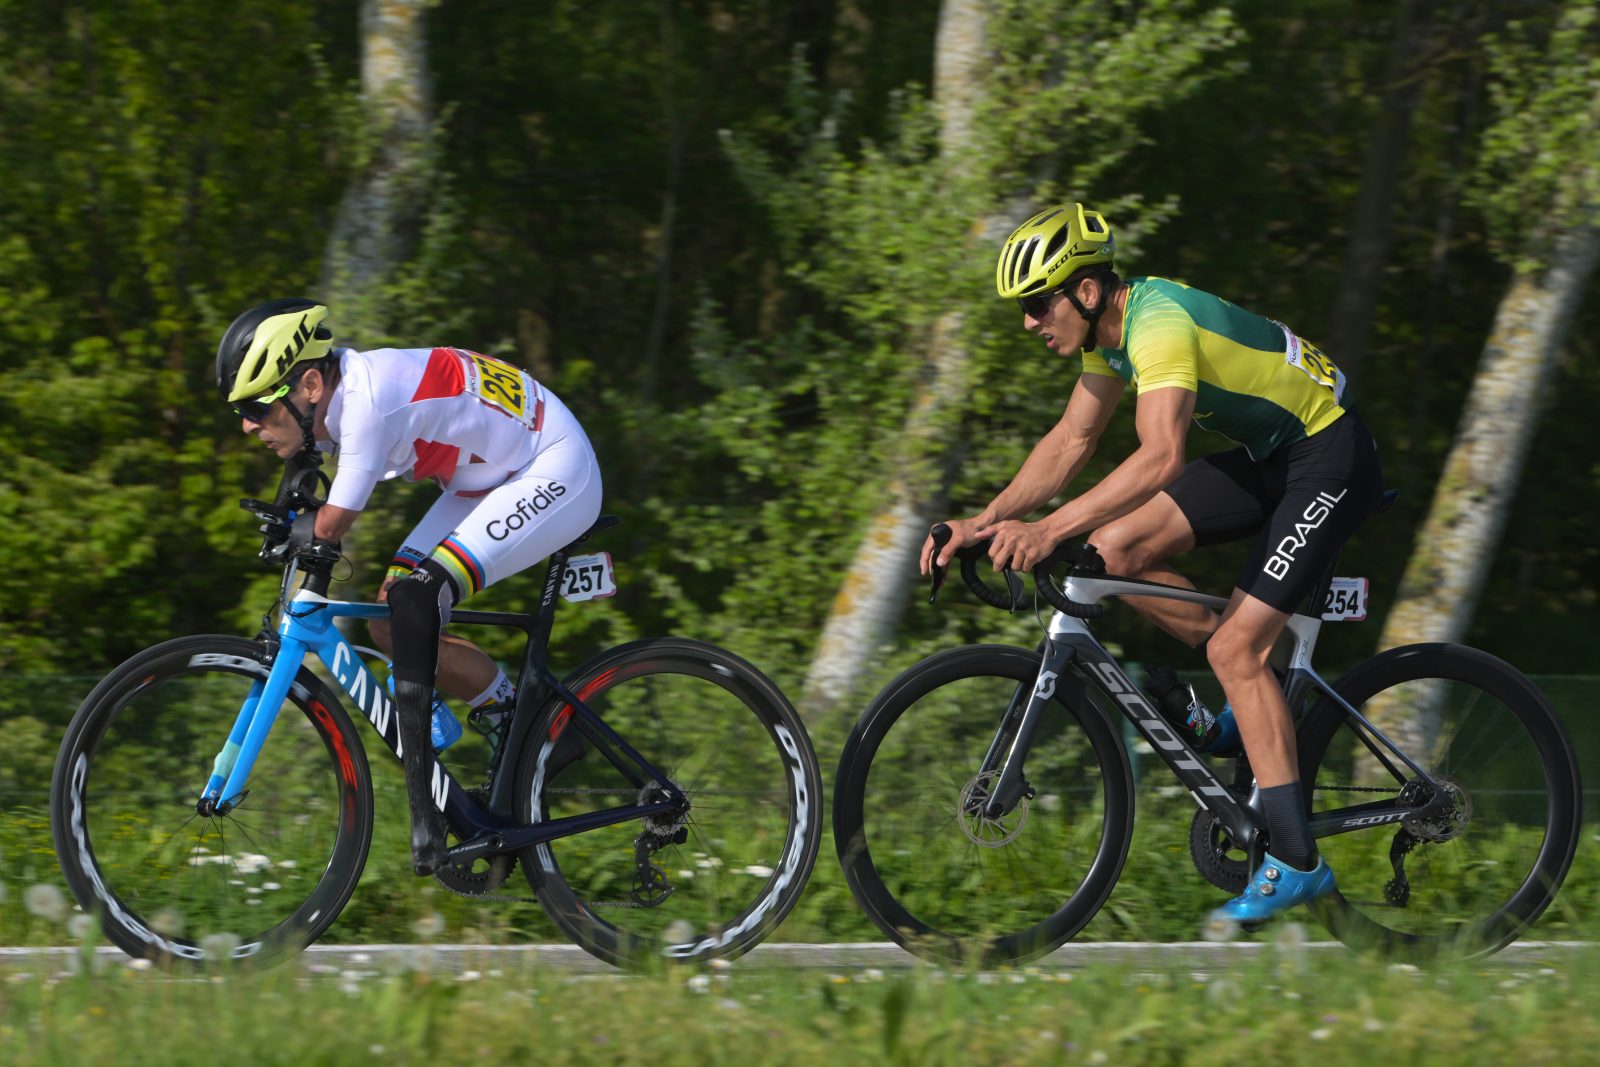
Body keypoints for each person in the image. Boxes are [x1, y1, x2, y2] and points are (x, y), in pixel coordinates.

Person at [923, 203, 1383, 927]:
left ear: (1084, 290)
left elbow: (1163, 455)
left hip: (1329, 455)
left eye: (1038, 302)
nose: (1028, 322)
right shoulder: (1107, 341)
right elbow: (1070, 440)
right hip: (1276, 455)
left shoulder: (1157, 321)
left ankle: (1296, 860)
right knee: (1112, 553)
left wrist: (1046, 532)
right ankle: (1240, 716)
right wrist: (978, 523)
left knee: (1236, 645)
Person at [216, 298, 603, 875]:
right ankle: (520, 722)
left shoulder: (369, 402)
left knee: (416, 598)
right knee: (387, 623)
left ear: (312, 384)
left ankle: (425, 810)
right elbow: (304, 484)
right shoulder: (326, 405)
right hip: (486, 477)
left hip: (551, 465)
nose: (248, 425)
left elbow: (335, 518)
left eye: (258, 407)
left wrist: (300, 528)